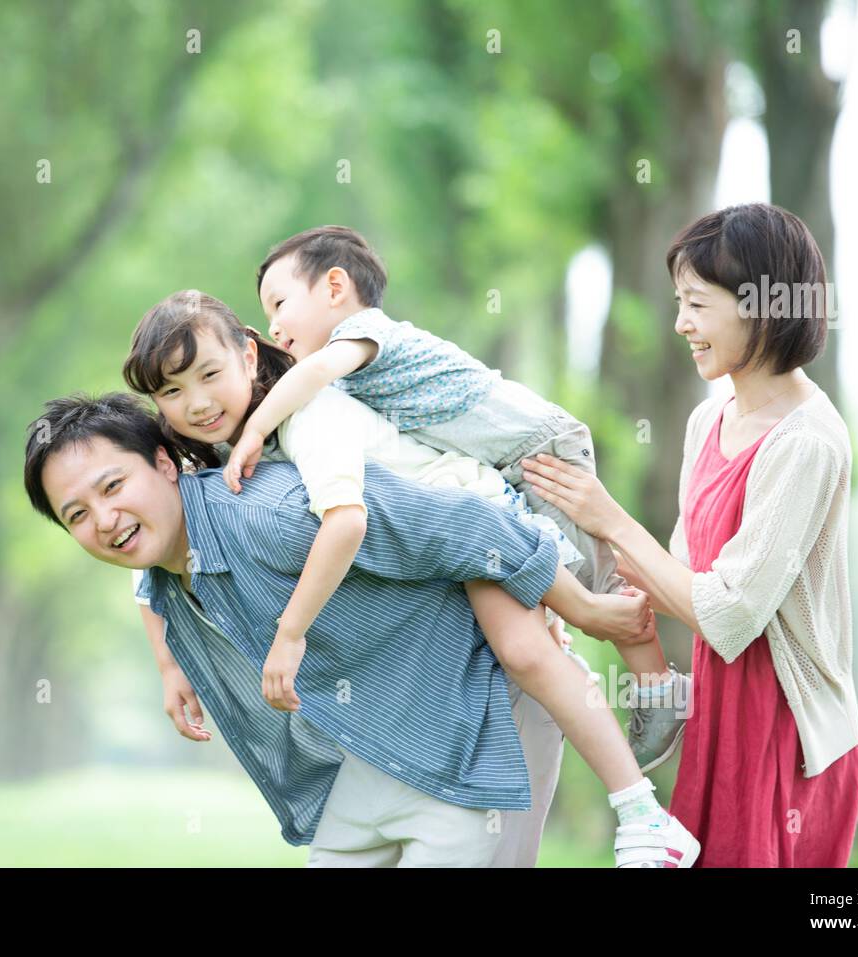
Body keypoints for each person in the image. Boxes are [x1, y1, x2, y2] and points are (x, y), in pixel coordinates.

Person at [22, 392, 697, 866]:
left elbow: (466, 521)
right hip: (380, 748)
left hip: (477, 720)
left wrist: (571, 602)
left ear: (165, 464)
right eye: (76, 514)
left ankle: (642, 813)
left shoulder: (271, 513)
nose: (103, 520)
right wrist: (169, 665)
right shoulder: (172, 578)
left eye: (113, 487)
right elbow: (148, 591)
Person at [226, 226, 691, 772]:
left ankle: (660, 689)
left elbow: (313, 373)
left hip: (537, 448)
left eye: (280, 304)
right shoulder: (351, 378)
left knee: (600, 581)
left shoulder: (363, 335)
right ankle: (644, 683)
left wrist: (256, 430)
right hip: (508, 468)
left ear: (335, 287)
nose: (275, 324)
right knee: (565, 575)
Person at [522, 203, 858, 866]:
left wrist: (611, 517)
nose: (682, 324)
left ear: (761, 307)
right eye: (680, 303)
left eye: (697, 305)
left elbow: (729, 613)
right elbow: (675, 575)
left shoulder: (808, 443)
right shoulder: (708, 425)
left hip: (786, 738)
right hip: (720, 720)